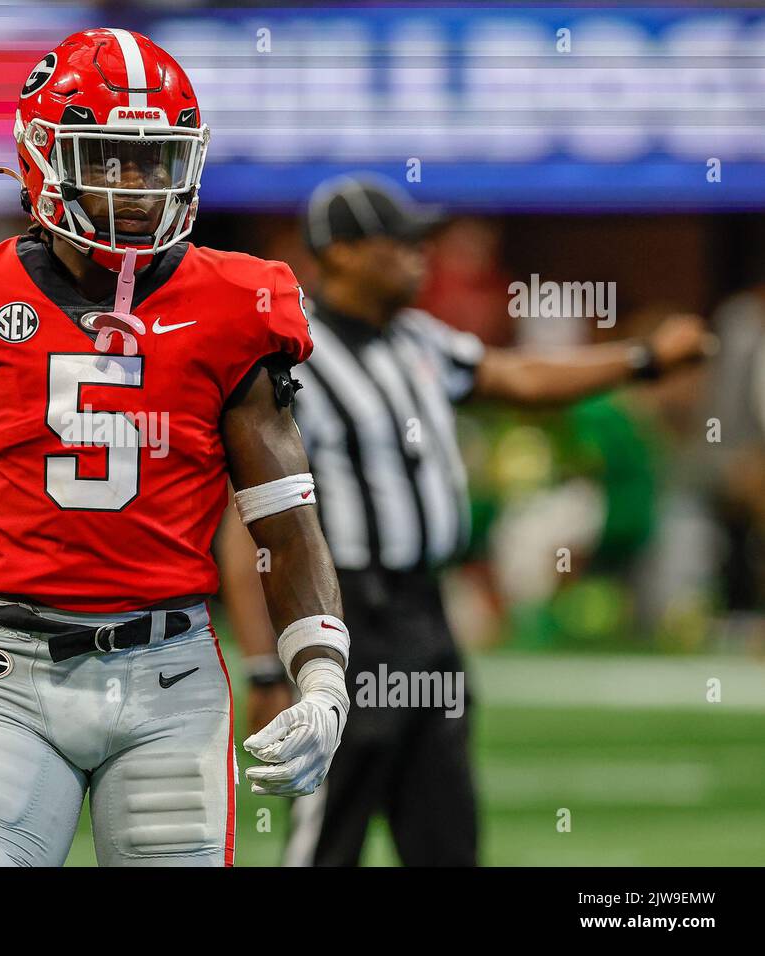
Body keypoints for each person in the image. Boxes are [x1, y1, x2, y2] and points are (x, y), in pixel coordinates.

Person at [0, 28, 350, 866]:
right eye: (109, 157)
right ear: (43, 154)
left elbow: (287, 526)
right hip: (14, 675)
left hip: (170, 680)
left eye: (157, 160)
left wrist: (322, 680)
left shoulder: (235, 304)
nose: (139, 187)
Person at [219, 174, 711, 867]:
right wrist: (268, 667)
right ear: (345, 253)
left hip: (426, 610)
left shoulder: (419, 339)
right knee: (327, 833)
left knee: (446, 830)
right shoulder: (294, 357)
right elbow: (249, 529)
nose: (421, 255)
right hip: (344, 613)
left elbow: (522, 378)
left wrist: (643, 360)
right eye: (401, 241)